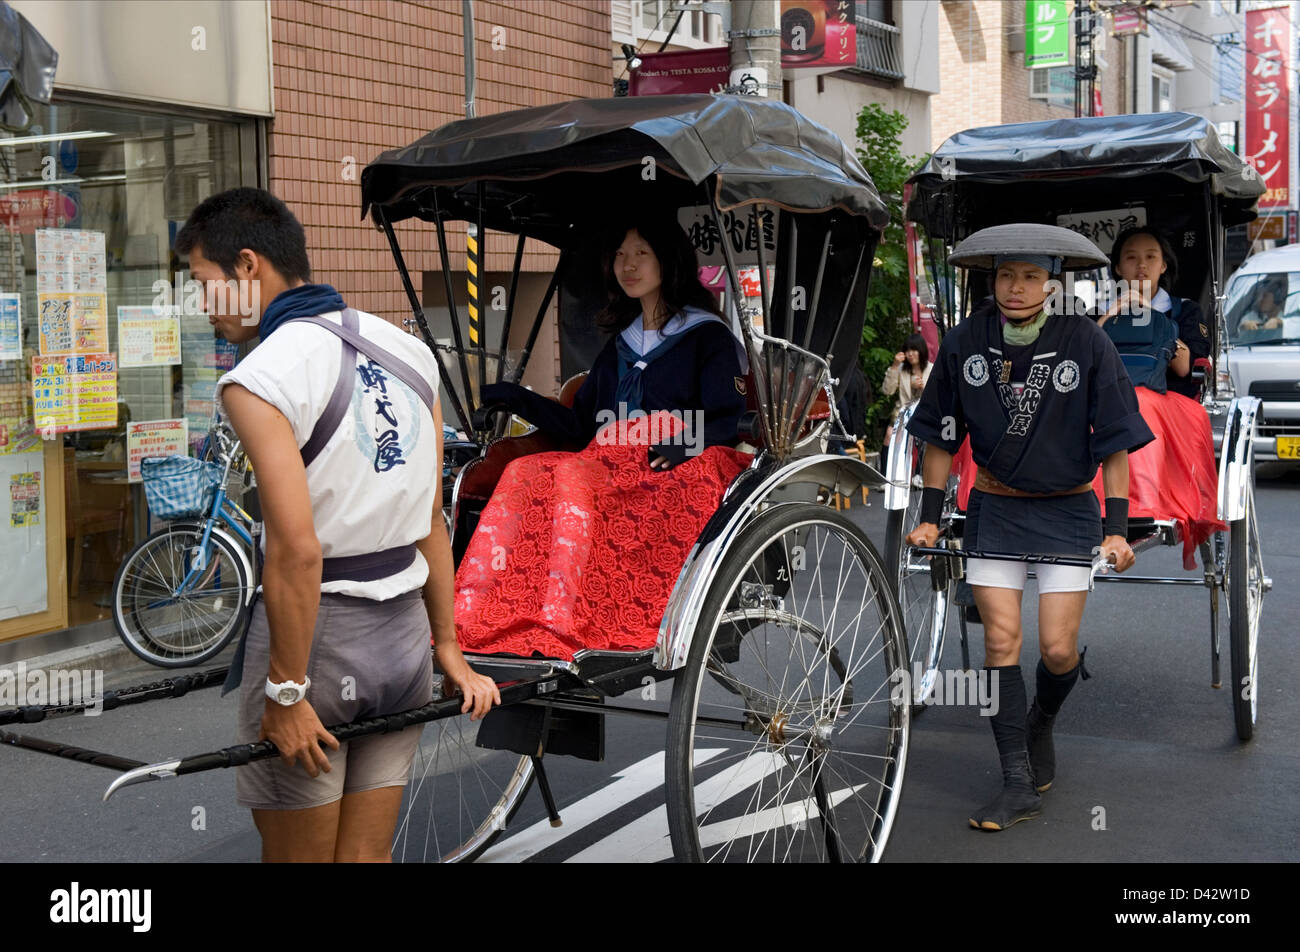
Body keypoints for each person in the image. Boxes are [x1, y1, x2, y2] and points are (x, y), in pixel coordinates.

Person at [179, 187, 499, 862]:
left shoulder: (259, 378)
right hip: (403, 643)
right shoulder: (408, 351)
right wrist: (447, 645)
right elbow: (429, 518)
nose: (201, 305)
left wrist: (286, 690)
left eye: (202, 284)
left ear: (247, 266)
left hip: (319, 644)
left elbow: (297, 551)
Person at [905, 225, 1154, 832]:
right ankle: (1016, 781)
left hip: (1068, 509)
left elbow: (1115, 442)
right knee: (1000, 642)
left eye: (1031, 276)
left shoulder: (1086, 340)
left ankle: (1041, 718)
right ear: (992, 280)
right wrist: (930, 519)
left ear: (1052, 283)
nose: (1016, 287)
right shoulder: (965, 342)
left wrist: (1116, 529)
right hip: (995, 508)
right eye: (1006, 275)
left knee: (1059, 649)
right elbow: (940, 436)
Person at [455, 218, 752, 660]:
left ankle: (564, 614)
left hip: (680, 459)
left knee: (571, 480)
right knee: (523, 470)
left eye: (641, 254)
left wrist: (685, 443)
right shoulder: (621, 345)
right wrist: (517, 398)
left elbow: (730, 417)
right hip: (611, 457)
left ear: (669, 261)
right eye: (620, 255)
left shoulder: (707, 336)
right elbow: (581, 426)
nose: (627, 265)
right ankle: (496, 608)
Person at [1104, 227, 1207, 399]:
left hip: (1169, 402)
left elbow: (1185, 368)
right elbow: (1083, 360)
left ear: (1163, 266)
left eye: (1150, 256)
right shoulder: (1099, 312)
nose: (1141, 264)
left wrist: (1152, 316)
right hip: (1110, 401)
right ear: (1118, 268)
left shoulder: (1185, 310)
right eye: (1131, 257)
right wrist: (1107, 317)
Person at [881, 332, 931, 449]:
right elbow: (887, 391)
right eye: (907, 351)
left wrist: (922, 387)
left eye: (914, 350)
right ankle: (886, 461)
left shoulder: (932, 369)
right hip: (902, 416)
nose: (910, 354)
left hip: (924, 417)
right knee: (889, 436)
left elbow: (936, 397)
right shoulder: (900, 368)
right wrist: (894, 365)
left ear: (921, 350)